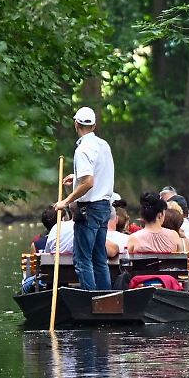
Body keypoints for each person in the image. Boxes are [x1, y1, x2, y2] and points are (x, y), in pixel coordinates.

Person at [55, 106, 115, 291]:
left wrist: (66, 201)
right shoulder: (103, 145)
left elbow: (89, 182)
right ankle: (106, 300)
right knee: (99, 258)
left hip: (88, 209)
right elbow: (98, 171)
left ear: (76, 124)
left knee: (82, 258)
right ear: (94, 126)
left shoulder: (82, 150)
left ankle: (90, 301)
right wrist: (77, 176)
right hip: (104, 207)